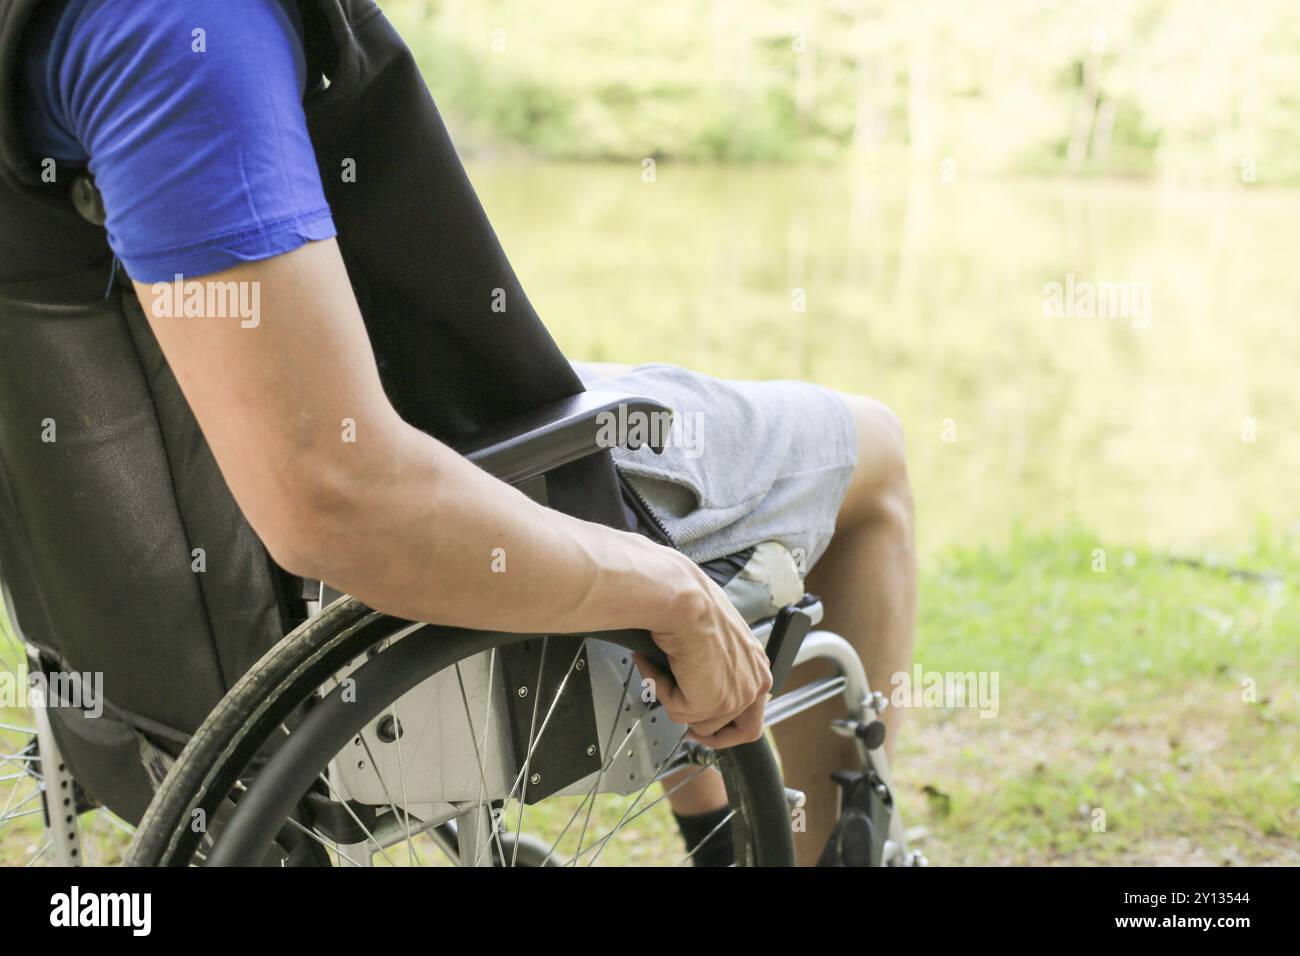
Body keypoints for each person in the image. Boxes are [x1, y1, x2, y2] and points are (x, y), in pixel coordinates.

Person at [9, 0, 914, 865]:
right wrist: (666, 593)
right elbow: (332, 494)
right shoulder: (184, 33)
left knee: (627, 398)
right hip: (340, 576)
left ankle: (721, 838)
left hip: (129, 640)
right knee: (872, 459)